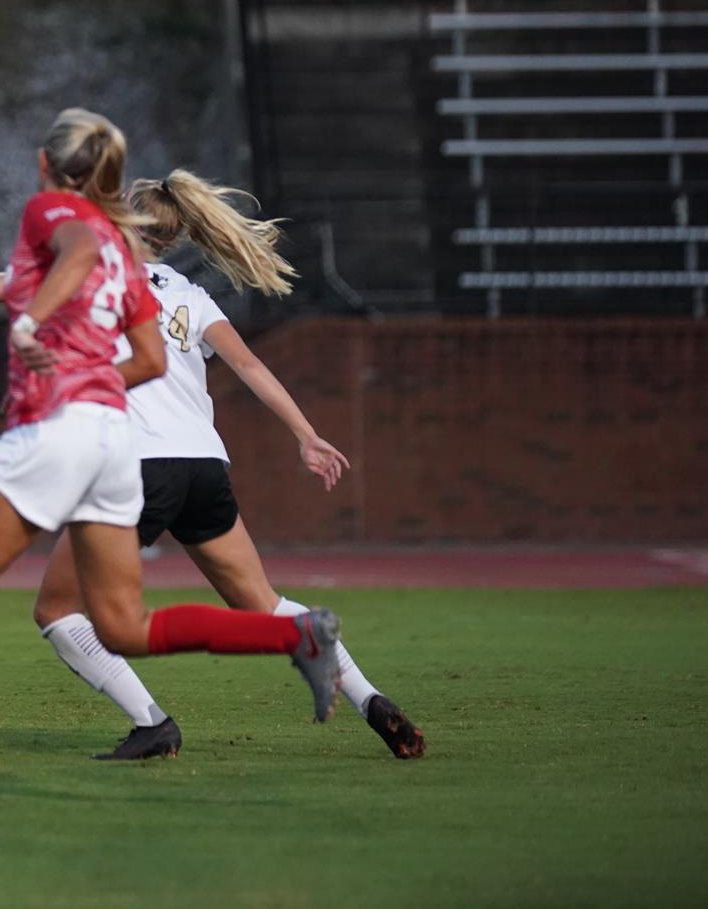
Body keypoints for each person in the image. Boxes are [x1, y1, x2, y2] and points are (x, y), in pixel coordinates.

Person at [0, 110, 344, 815]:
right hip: (113, 449)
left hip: (58, 438)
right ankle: (294, 631)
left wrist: (35, 324)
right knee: (120, 625)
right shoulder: (131, 264)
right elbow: (151, 358)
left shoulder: (58, 214)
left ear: (46, 166)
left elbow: (64, 258)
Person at [21, 170, 424, 761]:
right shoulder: (189, 294)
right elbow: (252, 368)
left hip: (135, 467)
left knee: (57, 610)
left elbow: (15, 283)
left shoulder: (96, 278)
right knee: (262, 603)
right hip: (203, 467)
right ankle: (370, 699)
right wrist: (306, 435)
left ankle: (151, 723)